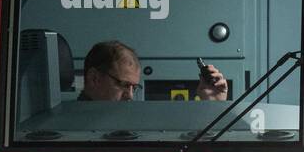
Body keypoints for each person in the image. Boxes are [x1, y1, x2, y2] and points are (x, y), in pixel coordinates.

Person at [78, 40, 227, 101]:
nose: (130, 96)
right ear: (94, 78)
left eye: (134, 88)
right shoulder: (68, 130)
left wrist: (212, 104)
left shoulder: (133, 123)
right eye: (123, 85)